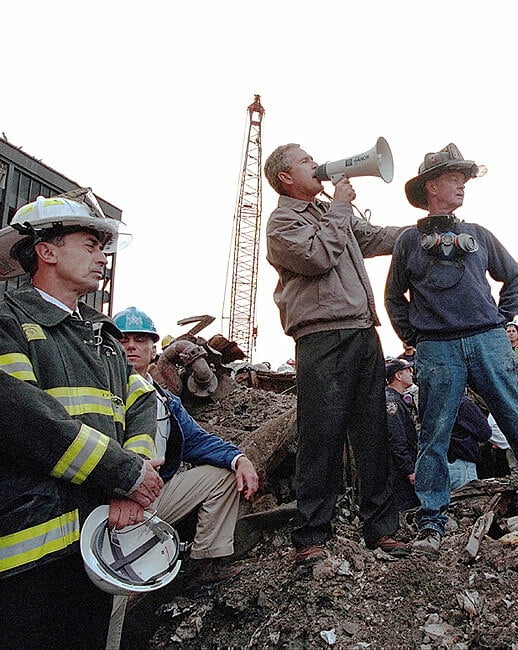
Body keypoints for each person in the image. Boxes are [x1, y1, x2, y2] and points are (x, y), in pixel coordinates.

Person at [385, 143, 518, 555]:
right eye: (453, 179)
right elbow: (394, 298)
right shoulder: (409, 243)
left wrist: (500, 320)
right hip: (438, 348)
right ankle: (432, 520)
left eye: (464, 180)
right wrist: (416, 338)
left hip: (487, 341)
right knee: (434, 436)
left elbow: (515, 277)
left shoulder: (479, 235)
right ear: (431, 186)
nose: (461, 187)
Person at [0, 192, 161, 648]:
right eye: (89, 245)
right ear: (47, 251)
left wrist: (132, 483)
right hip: (31, 549)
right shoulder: (8, 322)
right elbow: (21, 417)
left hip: (99, 537)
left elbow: (140, 404)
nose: (101, 258)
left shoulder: (103, 336)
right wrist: (125, 473)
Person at [264, 143, 407, 565]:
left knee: (373, 433)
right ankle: (312, 534)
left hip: (362, 331)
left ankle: (382, 529)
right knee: (321, 436)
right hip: (321, 338)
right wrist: (342, 208)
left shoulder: (330, 213)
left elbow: (377, 238)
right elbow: (316, 257)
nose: (317, 164)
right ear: (285, 177)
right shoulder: (281, 221)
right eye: (306, 161)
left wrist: (423, 231)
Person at [114, 306, 260, 585]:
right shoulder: (102, 390)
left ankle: (204, 566)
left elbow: (197, 439)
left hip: (152, 498)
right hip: (111, 503)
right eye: (123, 339)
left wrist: (240, 459)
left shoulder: (164, 400)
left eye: (140, 340)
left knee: (224, 477)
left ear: (153, 349)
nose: (131, 346)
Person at [384, 357, 420, 511]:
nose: (411, 373)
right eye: (407, 370)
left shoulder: (396, 399)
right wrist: (409, 469)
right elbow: (397, 439)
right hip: (398, 471)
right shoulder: (392, 402)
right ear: (398, 376)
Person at [447, 394, 492, 490]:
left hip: (440, 463)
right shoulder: (462, 403)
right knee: (466, 500)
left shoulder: (431, 401)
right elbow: (485, 432)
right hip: (461, 463)